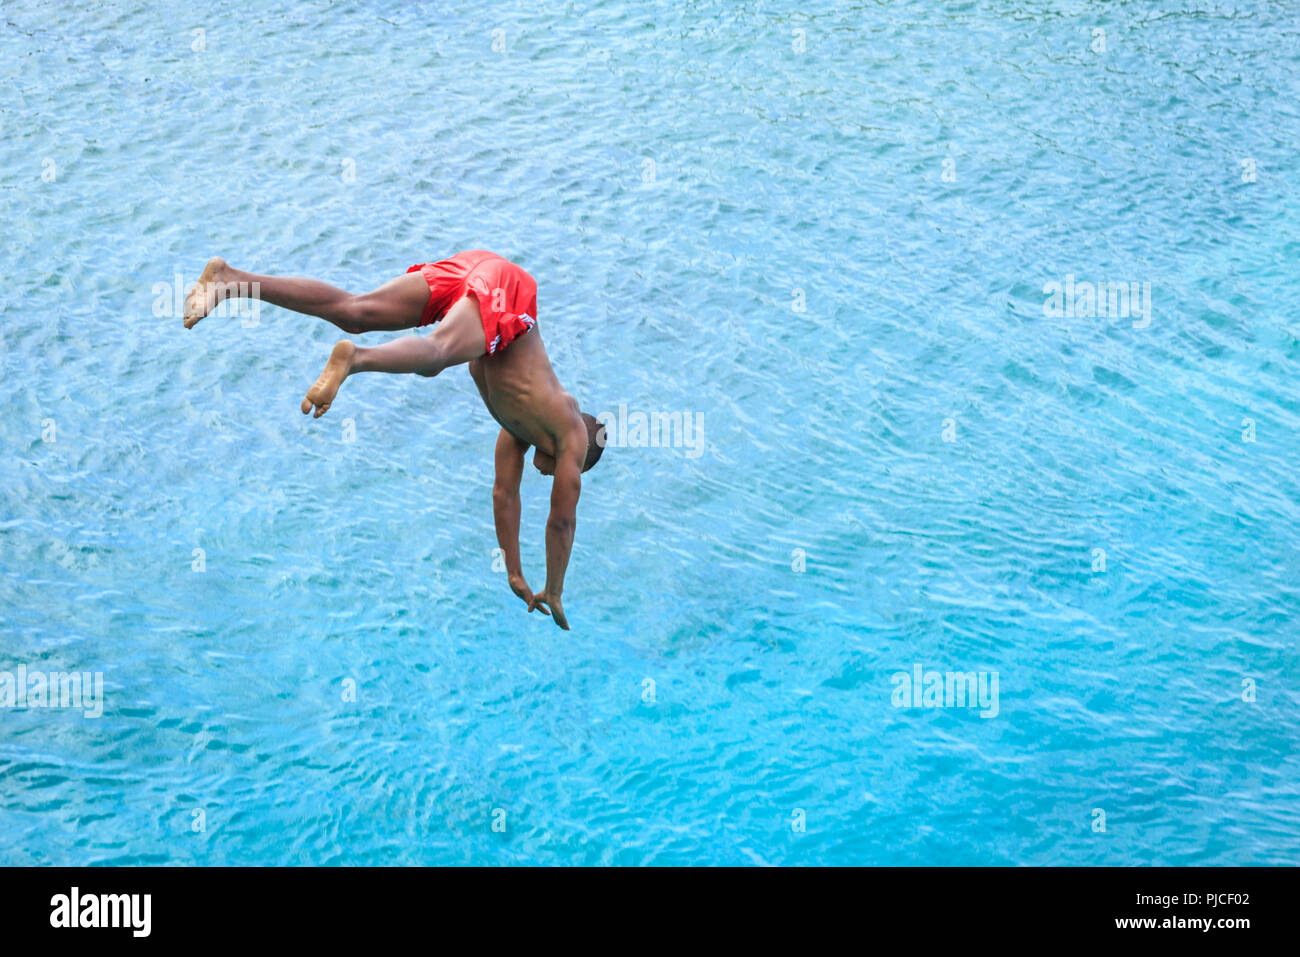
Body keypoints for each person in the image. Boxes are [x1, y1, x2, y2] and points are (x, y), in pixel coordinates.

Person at [183, 250, 605, 629]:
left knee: (356, 312)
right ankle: (356, 360)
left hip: (481, 271)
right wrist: (555, 589)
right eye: (568, 468)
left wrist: (514, 571)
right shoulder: (571, 434)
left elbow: (504, 494)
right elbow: (561, 520)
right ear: (581, 452)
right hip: (505, 291)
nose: (554, 475)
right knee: (437, 353)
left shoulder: (517, 427)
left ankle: (230, 279)